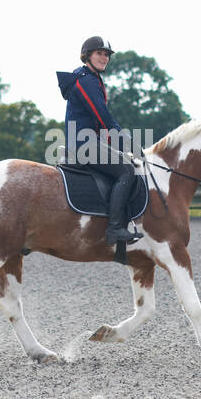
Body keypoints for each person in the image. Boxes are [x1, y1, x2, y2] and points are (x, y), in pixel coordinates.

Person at [56, 37, 143, 245]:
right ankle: (114, 229)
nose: (104, 58)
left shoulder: (90, 77)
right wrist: (126, 141)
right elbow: (102, 116)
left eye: (106, 55)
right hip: (83, 144)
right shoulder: (85, 80)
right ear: (87, 56)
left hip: (87, 140)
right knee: (126, 171)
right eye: (99, 53)